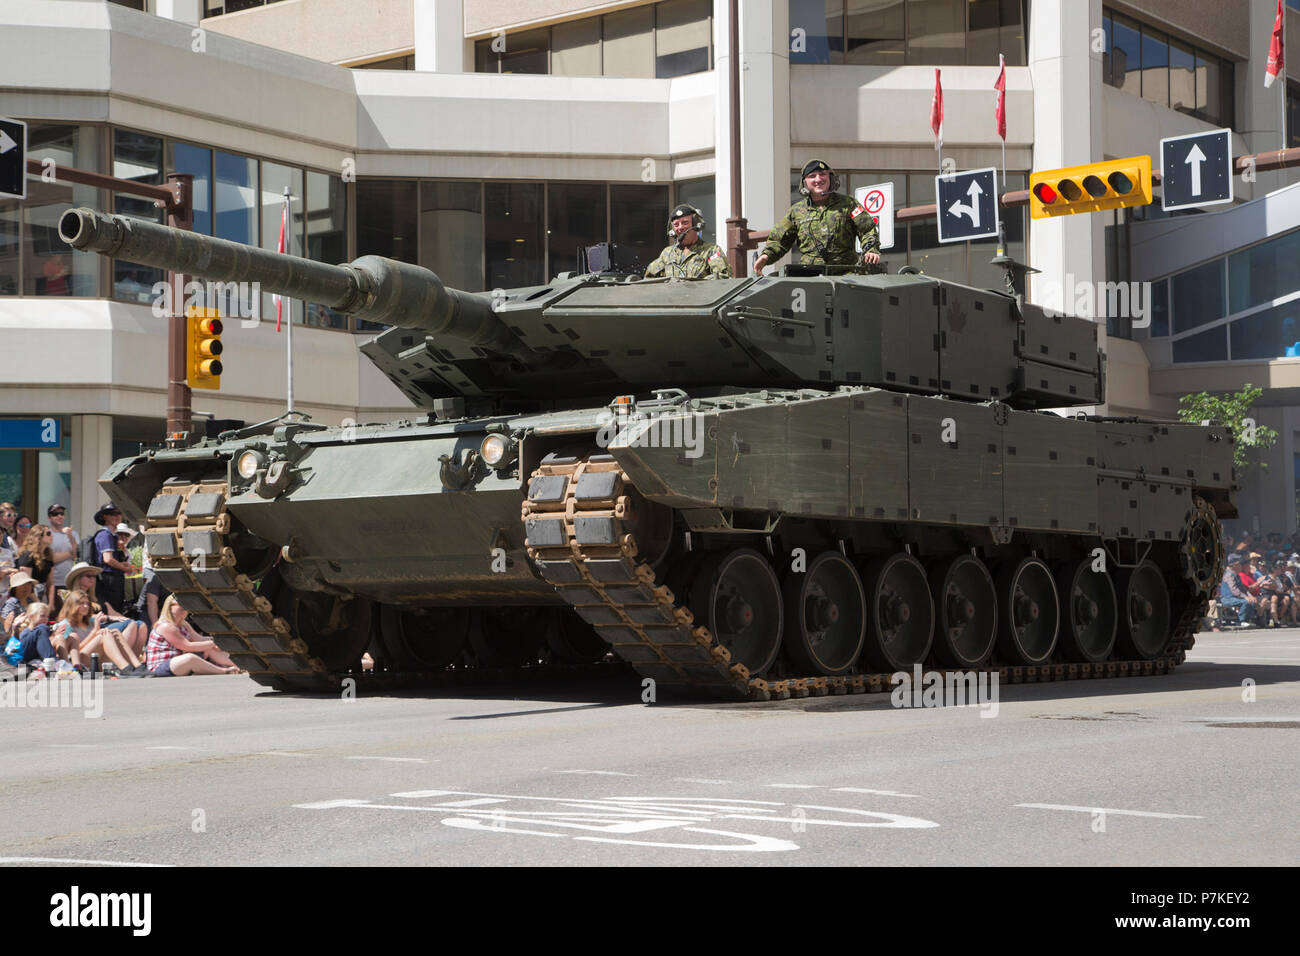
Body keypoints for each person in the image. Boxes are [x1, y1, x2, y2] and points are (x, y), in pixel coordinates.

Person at [753, 159, 881, 274]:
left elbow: (867, 229)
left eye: (823, 174)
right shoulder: (796, 211)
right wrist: (766, 256)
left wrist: (871, 250)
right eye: (812, 176)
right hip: (809, 277)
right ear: (804, 182)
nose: (818, 179)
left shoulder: (848, 204)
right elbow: (780, 239)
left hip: (846, 274)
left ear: (830, 178)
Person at [54, 589, 148, 676]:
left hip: (95, 657)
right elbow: (73, 650)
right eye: (81, 603)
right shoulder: (65, 624)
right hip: (79, 661)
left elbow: (103, 617)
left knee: (115, 632)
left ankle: (137, 666)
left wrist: (110, 619)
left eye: (87, 603)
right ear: (72, 605)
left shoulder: (89, 620)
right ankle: (125, 668)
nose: (86, 606)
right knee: (104, 633)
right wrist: (95, 631)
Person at [146, 594, 241, 676]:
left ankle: (241, 665)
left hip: (178, 663)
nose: (185, 608)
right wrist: (215, 642)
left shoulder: (183, 624)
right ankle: (224, 671)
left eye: (187, 605)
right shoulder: (166, 626)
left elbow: (199, 639)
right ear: (169, 607)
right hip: (161, 666)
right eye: (180, 605)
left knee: (207, 647)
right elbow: (187, 646)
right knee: (190, 658)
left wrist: (220, 639)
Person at [643, 204, 732, 280]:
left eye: (685, 223)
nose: (680, 227)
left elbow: (723, 277)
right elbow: (649, 278)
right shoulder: (667, 253)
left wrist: (695, 284)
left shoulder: (711, 251)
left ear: (696, 224)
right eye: (676, 225)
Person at [91, 503, 131, 616]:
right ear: (105, 517)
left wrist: (121, 563)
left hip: (112, 578)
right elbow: (108, 559)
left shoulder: (111, 535)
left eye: (119, 513)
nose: (117, 516)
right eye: (113, 514)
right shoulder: (105, 535)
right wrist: (124, 568)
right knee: (111, 611)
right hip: (108, 579)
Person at [15, 523, 55, 604]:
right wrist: (38, 602)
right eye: (48, 534)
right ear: (38, 536)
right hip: (28, 597)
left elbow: (51, 583)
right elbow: (26, 583)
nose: (52, 536)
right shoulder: (27, 555)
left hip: (43, 596)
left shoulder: (48, 555)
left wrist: (51, 603)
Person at [46, 504, 79, 592]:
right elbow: (51, 558)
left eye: (62, 513)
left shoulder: (73, 534)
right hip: (52, 582)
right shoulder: (47, 534)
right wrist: (70, 553)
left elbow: (76, 556)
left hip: (70, 581)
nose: (59, 516)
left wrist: (70, 537)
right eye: (55, 514)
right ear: (49, 518)